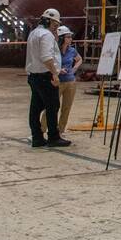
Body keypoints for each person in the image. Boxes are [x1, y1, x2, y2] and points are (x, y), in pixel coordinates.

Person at [26, 8, 70, 148]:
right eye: (55, 25)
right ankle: (53, 137)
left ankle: (37, 137)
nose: (56, 28)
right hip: (46, 76)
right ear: (48, 21)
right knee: (52, 106)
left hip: (34, 75)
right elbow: (46, 58)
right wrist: (55, 74)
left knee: (36, 108)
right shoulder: (46, 35)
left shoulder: (33, 33)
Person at [41, 26, 81, 135]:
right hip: (57, 82)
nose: (70, 39)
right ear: (62, 38)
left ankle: (60, 130)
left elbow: (79, 59)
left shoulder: (72, 51)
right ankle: (42, 129)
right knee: (51, 107)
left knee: (66, 108)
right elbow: (48, 62)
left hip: (70, 82)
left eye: (70, 37)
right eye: (68, 37)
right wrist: (58, 70)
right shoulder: (54, 50)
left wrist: (74, 69)